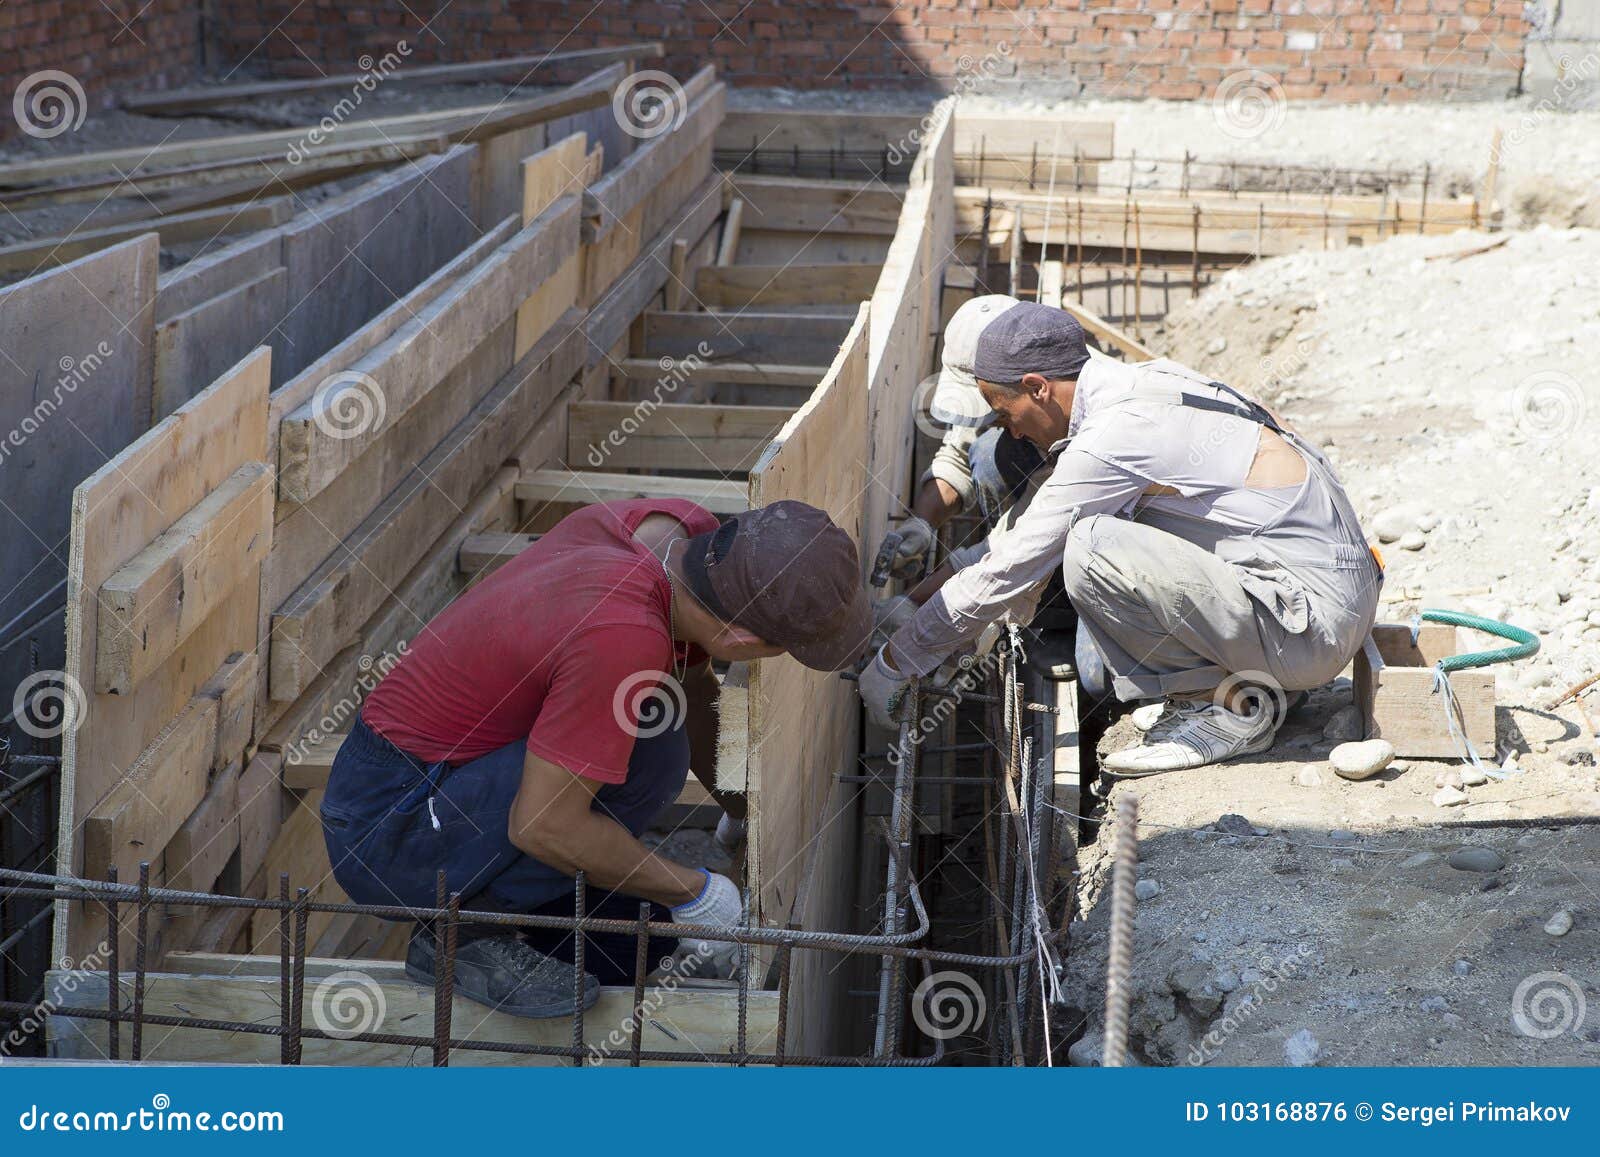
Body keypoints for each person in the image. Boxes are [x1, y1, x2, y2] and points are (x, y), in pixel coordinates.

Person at [321, 498, 870, 1017]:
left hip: (434, 773)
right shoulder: (624, 637)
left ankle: (514, 902)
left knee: (657, 737)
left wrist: (739, 803)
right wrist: (698, 893)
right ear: (741, 639)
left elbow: (695, 686)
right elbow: (543, 825)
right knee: (646, 757)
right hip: (388, 828)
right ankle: (461, 938)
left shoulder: (683, 537)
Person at [859, 302, 1381, 774]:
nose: (1011, 433)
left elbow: (1015, 563)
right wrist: (917, 600)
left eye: (1004, 414)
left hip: (1312, 628)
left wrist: (897, 661)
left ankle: (1224, 710)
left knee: (1088, 549)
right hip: (1332, 598)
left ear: (1038, 387)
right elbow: (1014, 536)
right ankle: (1258, 682)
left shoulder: (1113, 438)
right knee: (1096, 539)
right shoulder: (1144, 383)